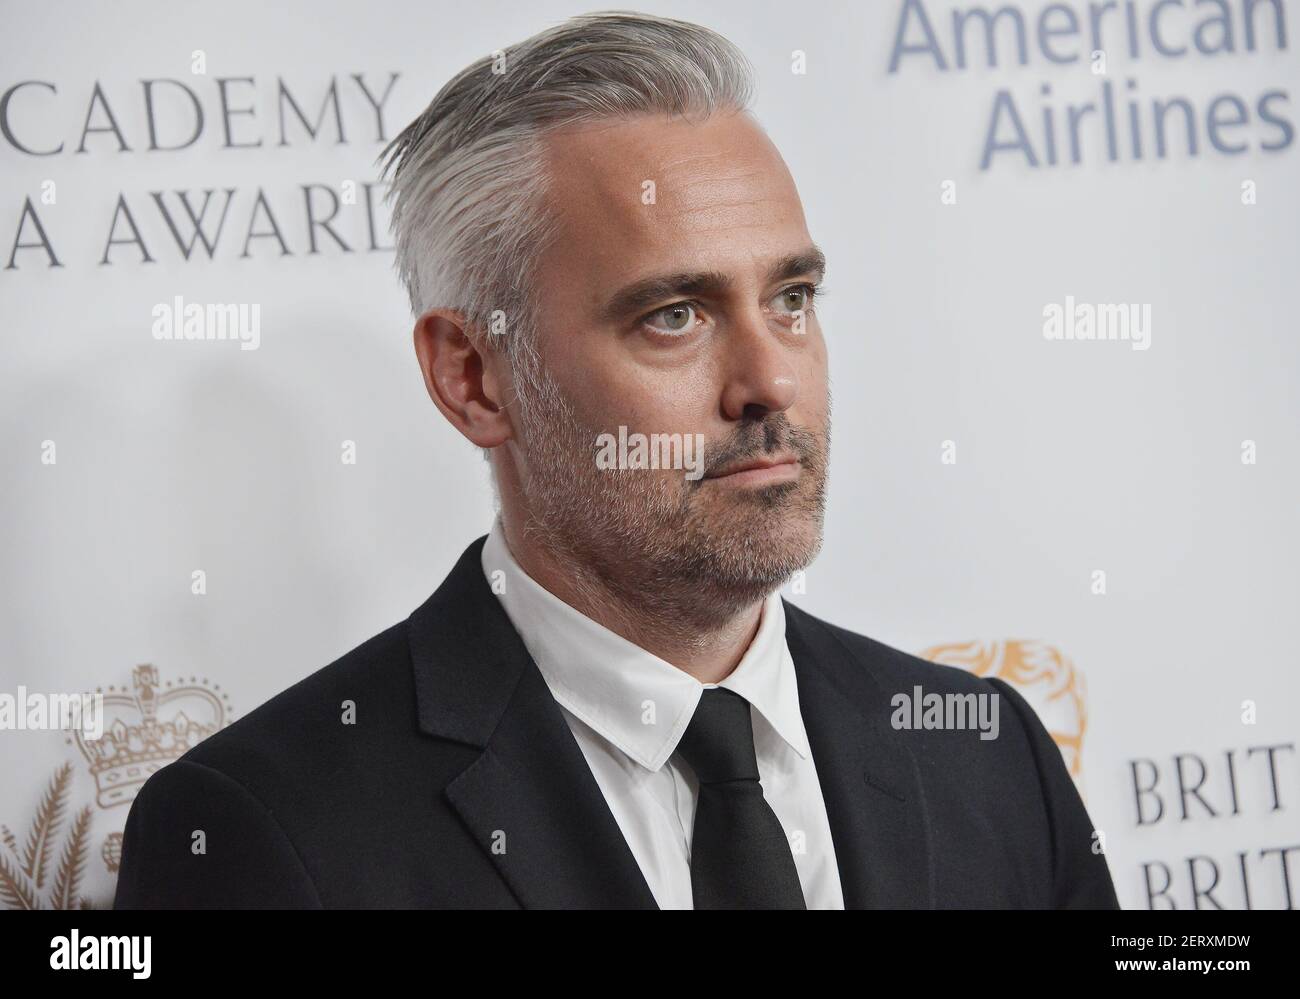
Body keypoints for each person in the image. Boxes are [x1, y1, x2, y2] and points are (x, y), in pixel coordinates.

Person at [114, 10, 1119, 909]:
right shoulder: (268, 830)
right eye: (673, 316)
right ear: (473, 378)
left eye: (791, 299)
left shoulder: (979, 750)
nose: (768, 385)